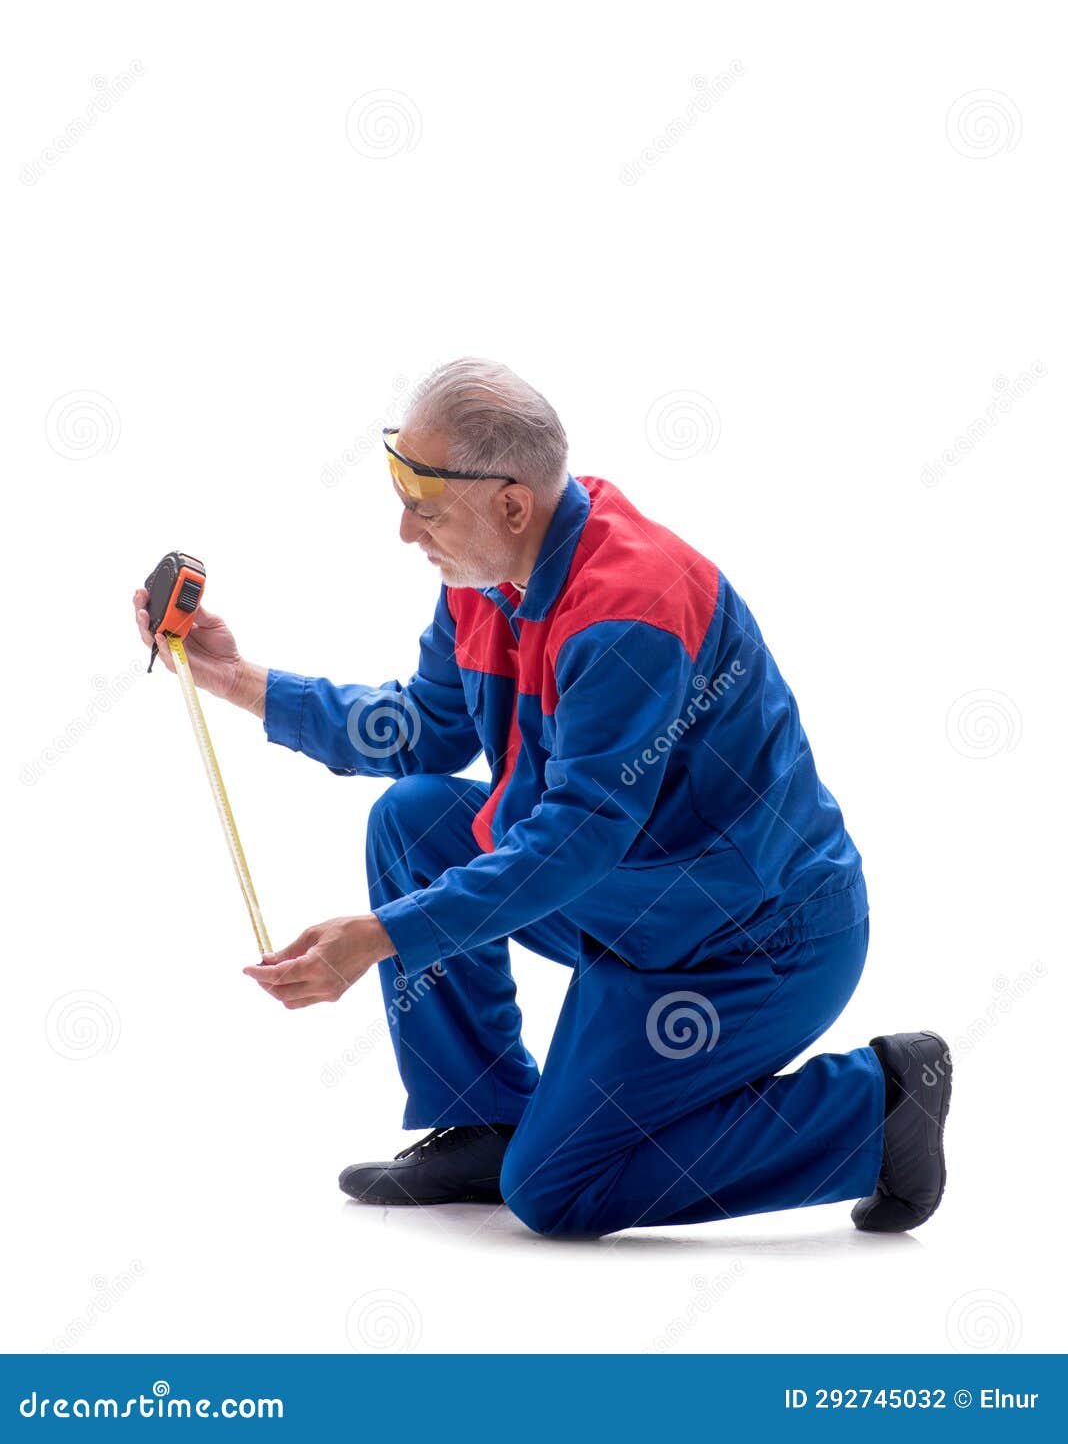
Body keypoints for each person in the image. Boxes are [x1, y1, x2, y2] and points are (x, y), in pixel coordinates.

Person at [132, 358, 951, 1238]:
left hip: (744, 946)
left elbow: (575, 839)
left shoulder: (631, 611)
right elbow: (422, 729)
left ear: (512, 503)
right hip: (630, 903)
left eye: (425, 506)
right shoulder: (488, 580)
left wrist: (383, 935)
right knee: (415, 822)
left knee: (560, 1192)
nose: (406, 531)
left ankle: (877, 1109)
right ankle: (485, 1120)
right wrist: (236, 678)